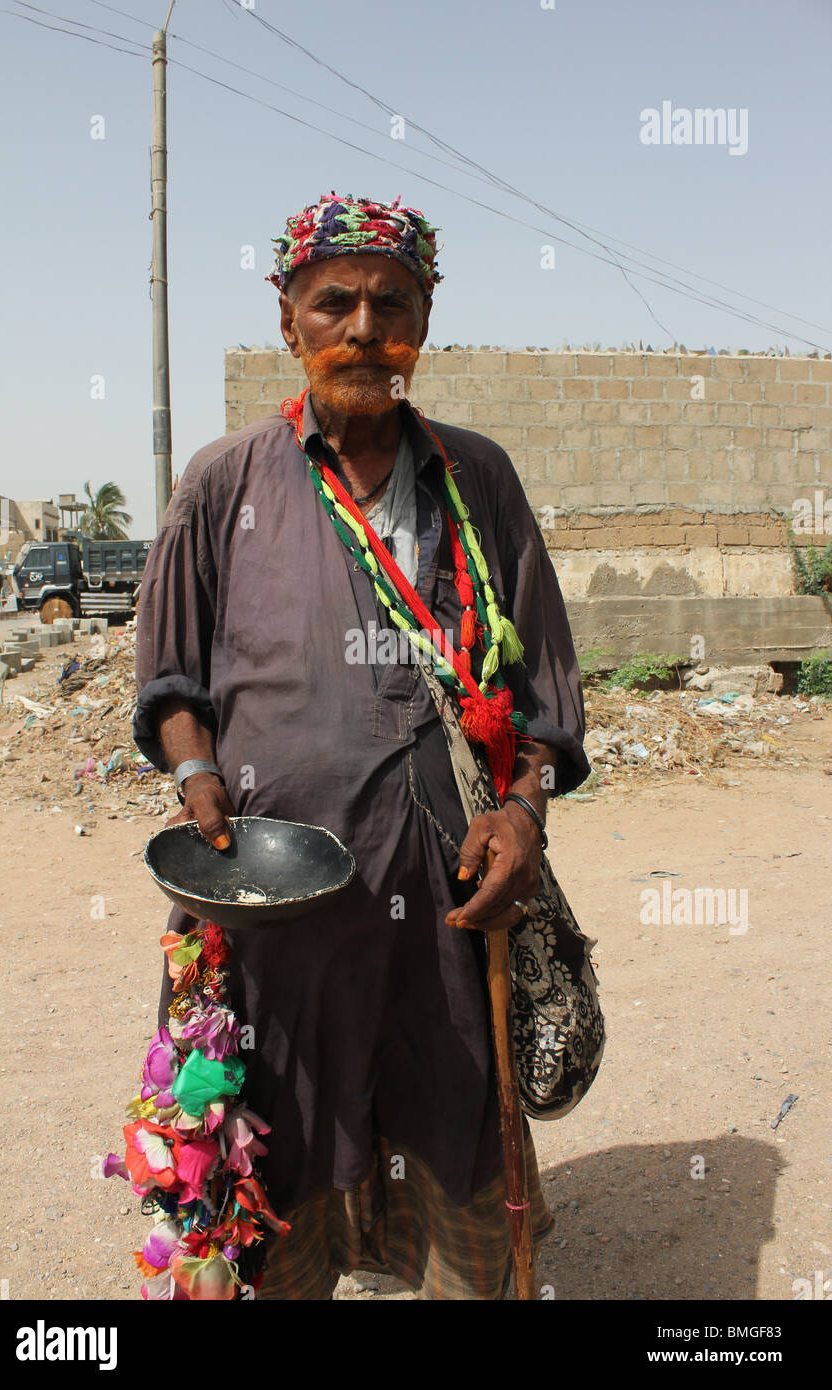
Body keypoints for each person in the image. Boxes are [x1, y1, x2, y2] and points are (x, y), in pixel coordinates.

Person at [133, 193, 590, 1300]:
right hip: (272, 919)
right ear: (287, 318)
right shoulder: (225, 481)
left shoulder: (476, 481)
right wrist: (198, 776)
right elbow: (169, 684)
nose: (361, 327)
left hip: (447, 904)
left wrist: (521, 813)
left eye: (391, 303)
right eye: (331, 301)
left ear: (424, 321)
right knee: (270, 1159)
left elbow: (540, 700)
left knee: (450, 1130)